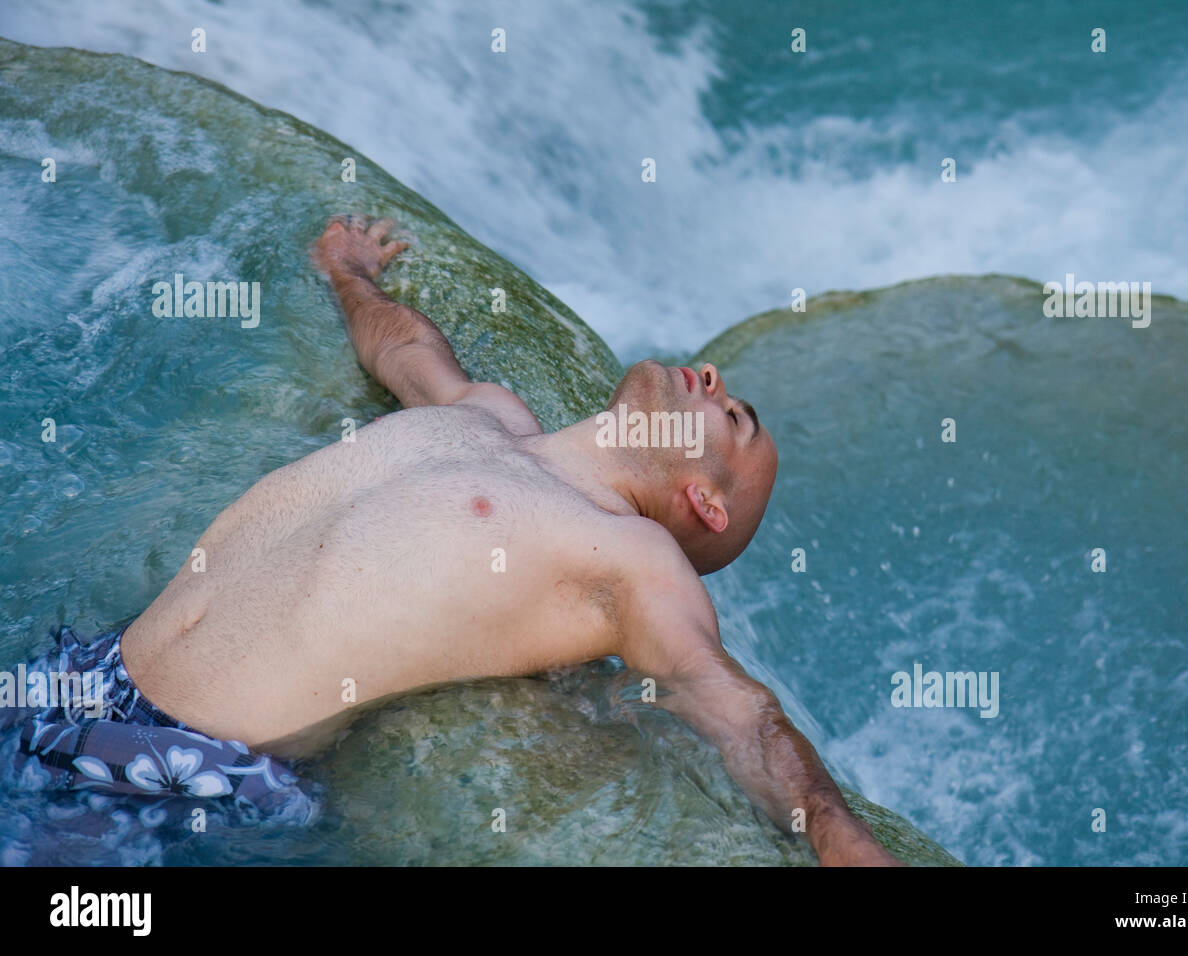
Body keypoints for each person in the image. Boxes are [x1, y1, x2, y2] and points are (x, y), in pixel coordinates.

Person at [10, 216, 901, 865]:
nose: (710, 376)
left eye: (732, 413)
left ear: (705, 501)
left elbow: (738, 710)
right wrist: (352, 277)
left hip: (179, 773)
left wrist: (839, 838)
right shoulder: (490, 417)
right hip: (84, 677)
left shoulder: (629, 562)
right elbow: (404, 353)